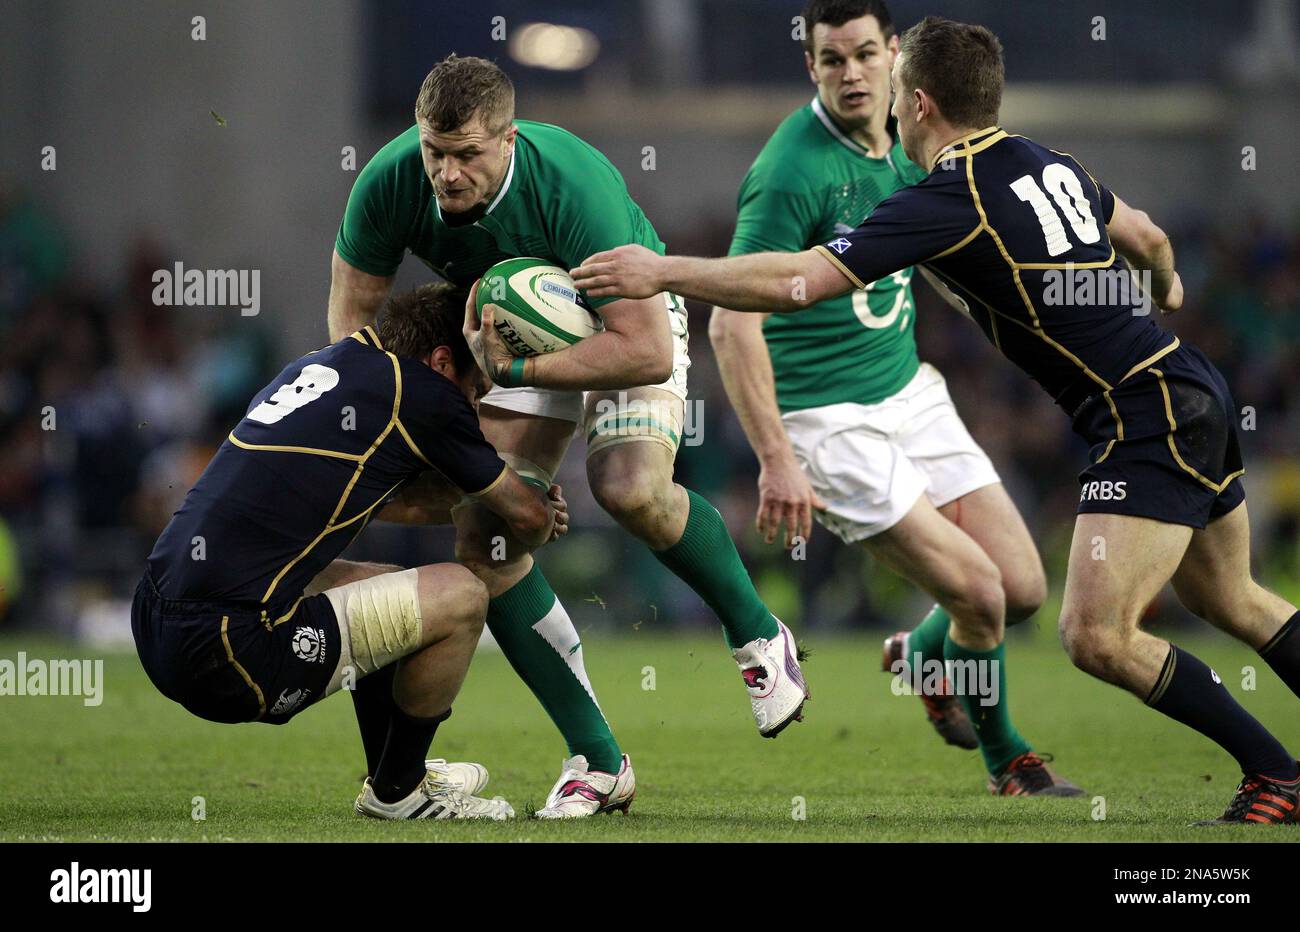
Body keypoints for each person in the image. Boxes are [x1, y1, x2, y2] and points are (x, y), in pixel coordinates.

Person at [572, 17, 1300, 825]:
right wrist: (1165, 289)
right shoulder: (1040, 159)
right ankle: (940, 672)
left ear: (915, 101)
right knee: (1232, 597)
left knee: (1097, 635)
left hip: (1144, 416)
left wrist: (662, 268)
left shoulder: (948, 197)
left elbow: (800, 283)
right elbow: (1152, 238)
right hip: (1188, 384)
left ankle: (1275, 775)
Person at [330, 54, 807, 817]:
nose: (447, 176)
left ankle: (757, 636)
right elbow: (349, 321)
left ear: (509, 139)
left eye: (467, 156)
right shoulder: (388, 182)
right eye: (434, 154)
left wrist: (512, 367)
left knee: (630, 489)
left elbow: (646, 349)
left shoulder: (573, 187)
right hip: (507, 329)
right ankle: (599, 761)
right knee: (487, 540)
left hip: (623, 316)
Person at [709, 0, 1077, 795]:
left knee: (1021, 588)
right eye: (831, 59)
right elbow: (730, 324)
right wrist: (776, 457)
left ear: (895, 53)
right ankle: (1007, 759)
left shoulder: (918, 144)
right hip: (826, 423)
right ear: (810, 64)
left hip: (908, 389)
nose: (851, 74)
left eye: (864, 55)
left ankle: (919, 657)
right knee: (978, 595)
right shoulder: (790, 170)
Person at [132, 283, 567, 821]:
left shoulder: (318, 367)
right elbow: (525, 516)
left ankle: (388, 772)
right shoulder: (423, 393)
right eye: (476, 388)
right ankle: (401, 793)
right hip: (228, 648)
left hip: (154, 617)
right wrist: (543, 511)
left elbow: (392, 499)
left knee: (387, 584)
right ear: (440, 361)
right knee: (462, 597)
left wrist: (506, 502)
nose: (474, 404)